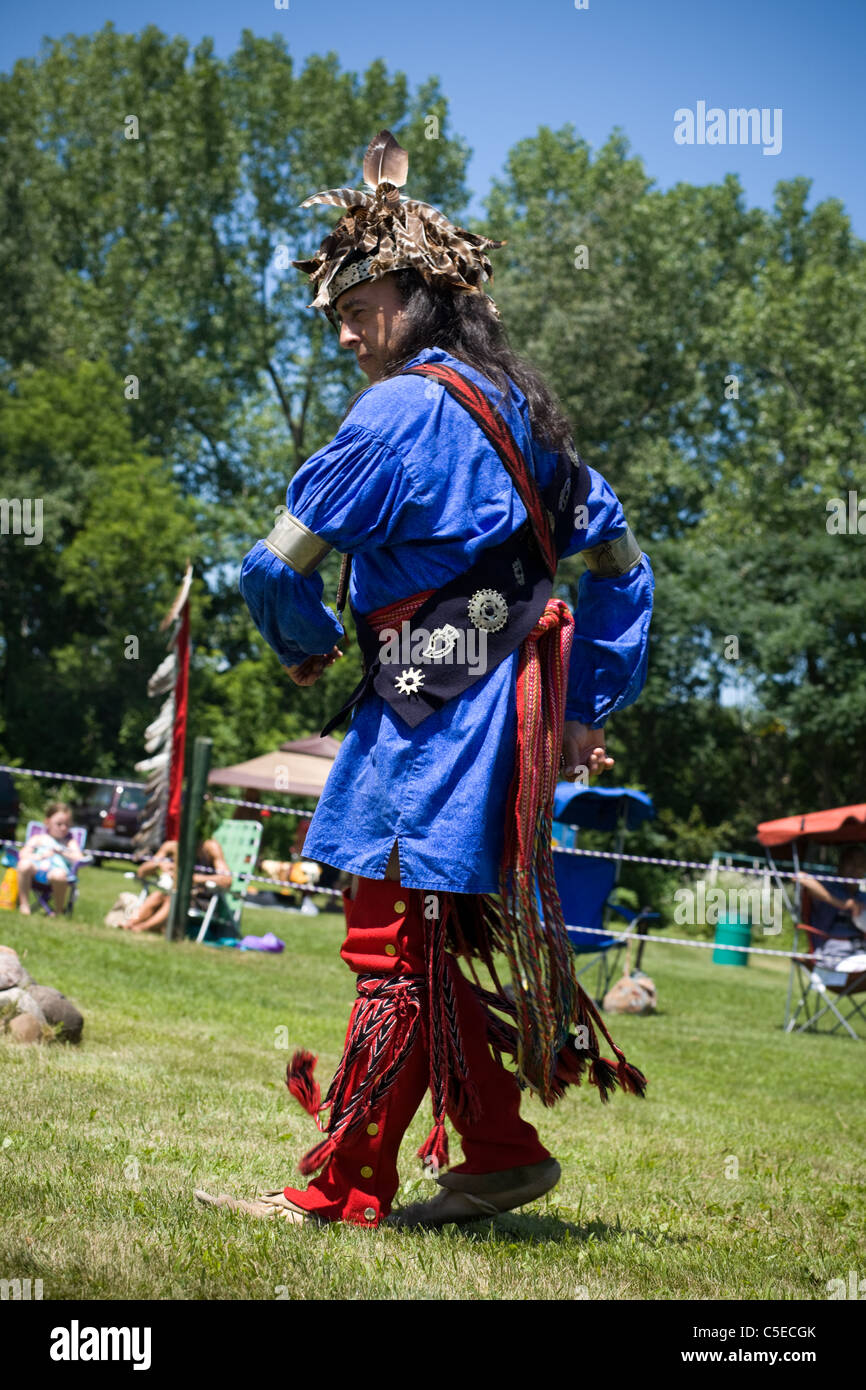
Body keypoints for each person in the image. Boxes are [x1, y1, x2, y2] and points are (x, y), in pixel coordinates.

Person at [197, 131, 654, 1230]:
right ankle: (496, 1150)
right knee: (427, 935)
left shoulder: (397, 411)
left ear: (423, 294)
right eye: (335, 313)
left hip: (434, 705)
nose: (346, 331)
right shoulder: (526, 414)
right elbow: (620, 566)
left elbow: (269, 566)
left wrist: (301, 635)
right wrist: (588, 695)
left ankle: (337, 1186)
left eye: (362, 305)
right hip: (503, 705)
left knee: (389, 942)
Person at [121, 837, 231, 934]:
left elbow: (227, 880)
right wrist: (159, 864)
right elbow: (141, 872)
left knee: (172, 899)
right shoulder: (172, 846)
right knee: (156, 895)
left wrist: (193, 878)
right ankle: (130, 923)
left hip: (200, 899)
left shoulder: (209, 847)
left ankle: (142, 928)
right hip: (174, 894)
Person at [796, 845, 866, 971]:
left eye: (861, 865)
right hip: (833, 958)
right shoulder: (828, 888)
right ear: (840, 865)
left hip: (860, 955)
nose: (856, 869)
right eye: (851, 863)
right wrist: (842, 904)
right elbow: (799, 876)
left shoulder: (863, 898)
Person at [16, 802, 84, 916]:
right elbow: (23, 854)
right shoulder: (38, 839)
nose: (63, 828)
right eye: (59, 824)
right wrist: (40, 856)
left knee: (58, 875)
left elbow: (79, 858)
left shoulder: (69, 842)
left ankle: (58, 911)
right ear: (47, 822)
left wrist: (62, 852)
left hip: (57, 873)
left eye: (67, 825)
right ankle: (24, 905)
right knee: (23, 865)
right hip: (36, 871)